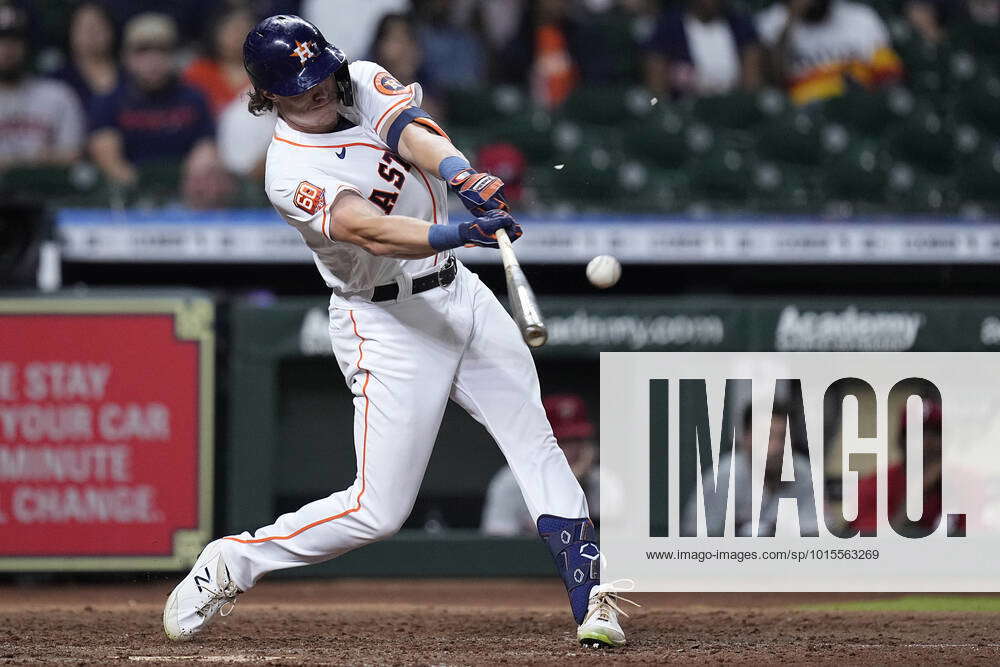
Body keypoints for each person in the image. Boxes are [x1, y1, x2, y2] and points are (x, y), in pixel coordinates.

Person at [162, 15, 634, 649]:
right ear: (266, 93)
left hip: (458, 290)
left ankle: (592, 598)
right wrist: (453, 231)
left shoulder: (356, 79)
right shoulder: (286, 170)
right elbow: (367, 229)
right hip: (385, 320)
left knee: (537, 444)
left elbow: (412, 133)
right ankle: (229, 563)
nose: (318, 88)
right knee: (377, 511)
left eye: (319, 72)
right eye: (299, 85)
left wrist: (463, 174)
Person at [88, 13, 230, 207]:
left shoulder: (194, 98)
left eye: (162, 50)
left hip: (186, 198)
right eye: (142, 51)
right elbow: (110, 161)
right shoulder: (109, 101)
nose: (153, 59)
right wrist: (146, 195)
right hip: (126, 200)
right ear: (126, 56)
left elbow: (205, 152)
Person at [680, 403, 817, 537]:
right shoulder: (723, 479)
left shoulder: (803, 474)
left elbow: (815, 533)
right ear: (745, 437)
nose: (776, 447)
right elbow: (695, 542)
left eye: (783, 438)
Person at [482, 394, 599, 536]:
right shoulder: (513, 482)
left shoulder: (600, 483)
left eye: (577, 440)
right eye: (563, 441)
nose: (572, 450)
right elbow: (496, 546)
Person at [756, 0, 904, 105]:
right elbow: (773, 82)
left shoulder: (861, 18)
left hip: (857, 105)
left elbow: (889, 74)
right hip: (803, 114)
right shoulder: (771, 22)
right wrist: (791, 19)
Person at [0, 6, 85, 170]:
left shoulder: (58, 94)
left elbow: (72, 155)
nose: (6, 48)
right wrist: (42, 158)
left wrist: (13, 163)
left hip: (47, 192)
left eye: (14, 39)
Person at [644, 0, 763, 98]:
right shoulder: (668, 28)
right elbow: (655, 91)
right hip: (684, 111)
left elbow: (752, 84)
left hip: (734, 107)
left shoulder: (740, 26)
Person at [184, 7, 256, 116]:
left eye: (244, 30)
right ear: (217, 33)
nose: (239, 37)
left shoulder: (267, 74)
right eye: (233, 30)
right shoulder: (198, 71)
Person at [53, 2, 120, 109]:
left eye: (98, 26)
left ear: (111, 30)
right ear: (70, 33)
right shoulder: (57, 80)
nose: (92, 34)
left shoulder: (130, 74)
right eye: (84, 28)